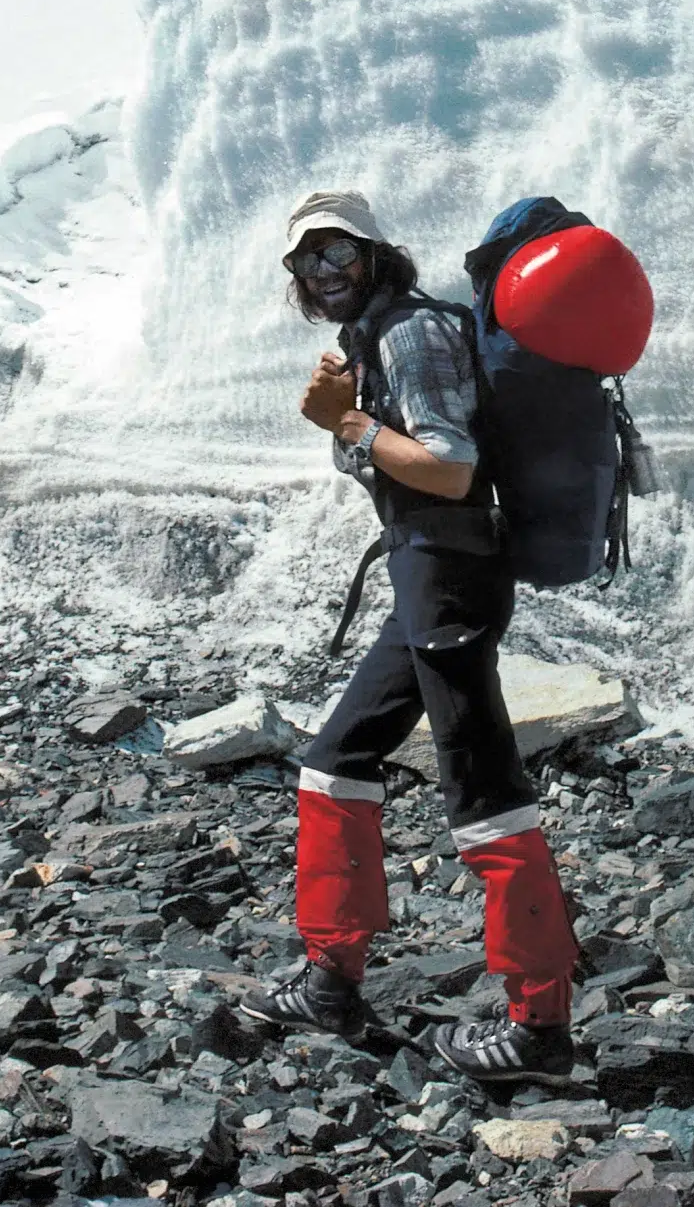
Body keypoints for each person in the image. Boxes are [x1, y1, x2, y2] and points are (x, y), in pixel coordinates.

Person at [239, 189, 581, 1086]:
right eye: (305, 260)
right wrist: (350, 420)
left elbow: (451, 463)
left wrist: (348, 422)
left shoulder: (410, 334)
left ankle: (539, 1031)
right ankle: (330, 982)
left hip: (451, 584)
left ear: (376, 252)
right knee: (335, 758)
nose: (322, 272)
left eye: (337, 251)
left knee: (486, 792)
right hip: (424, 579)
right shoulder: (377, 337)